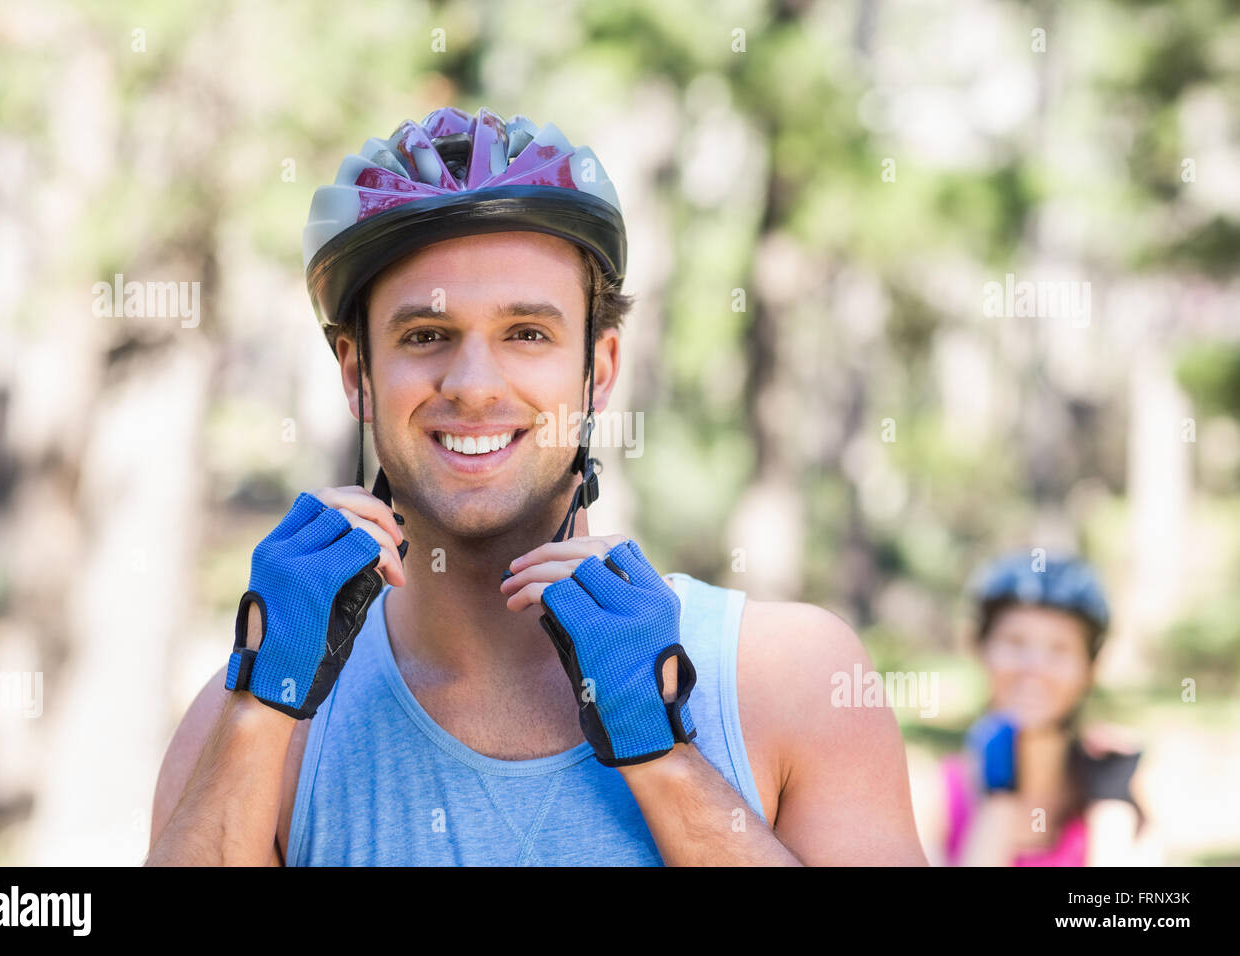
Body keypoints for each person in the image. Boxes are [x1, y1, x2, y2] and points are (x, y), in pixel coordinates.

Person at [145, 106, 927, 866]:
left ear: (600, 371)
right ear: (358, 375)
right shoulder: (251, 718)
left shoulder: (788, 677)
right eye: (426, 336)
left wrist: (662, 751)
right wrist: (261, 701)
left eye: (527, 334)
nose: (476, 385)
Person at [921, 551, 1152, 866]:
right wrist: (1000, 789)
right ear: (981, 650)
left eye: (1060, 649)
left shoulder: (1121, 782)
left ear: (1090, 668)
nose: (1035, 667)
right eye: (1016, 642)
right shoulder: (937, 797)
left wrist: (1111, 806)